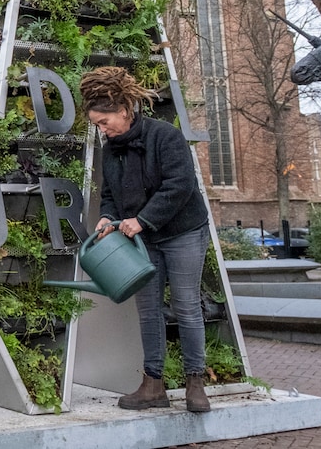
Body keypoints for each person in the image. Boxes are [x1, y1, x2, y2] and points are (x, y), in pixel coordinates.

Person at [79, 66, 212, 413]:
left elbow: (180, 186)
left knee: (186, 305)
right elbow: (110, 193)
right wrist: (108, 216)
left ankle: (195, 383)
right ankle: (153, 385)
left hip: (183, 231)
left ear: (123, 110)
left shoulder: (165, 136)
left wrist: (142, 220)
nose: (102, 129)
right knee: (149, 311)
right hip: (143, 238)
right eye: (96, 124)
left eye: (104, 122)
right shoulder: (111, 149)